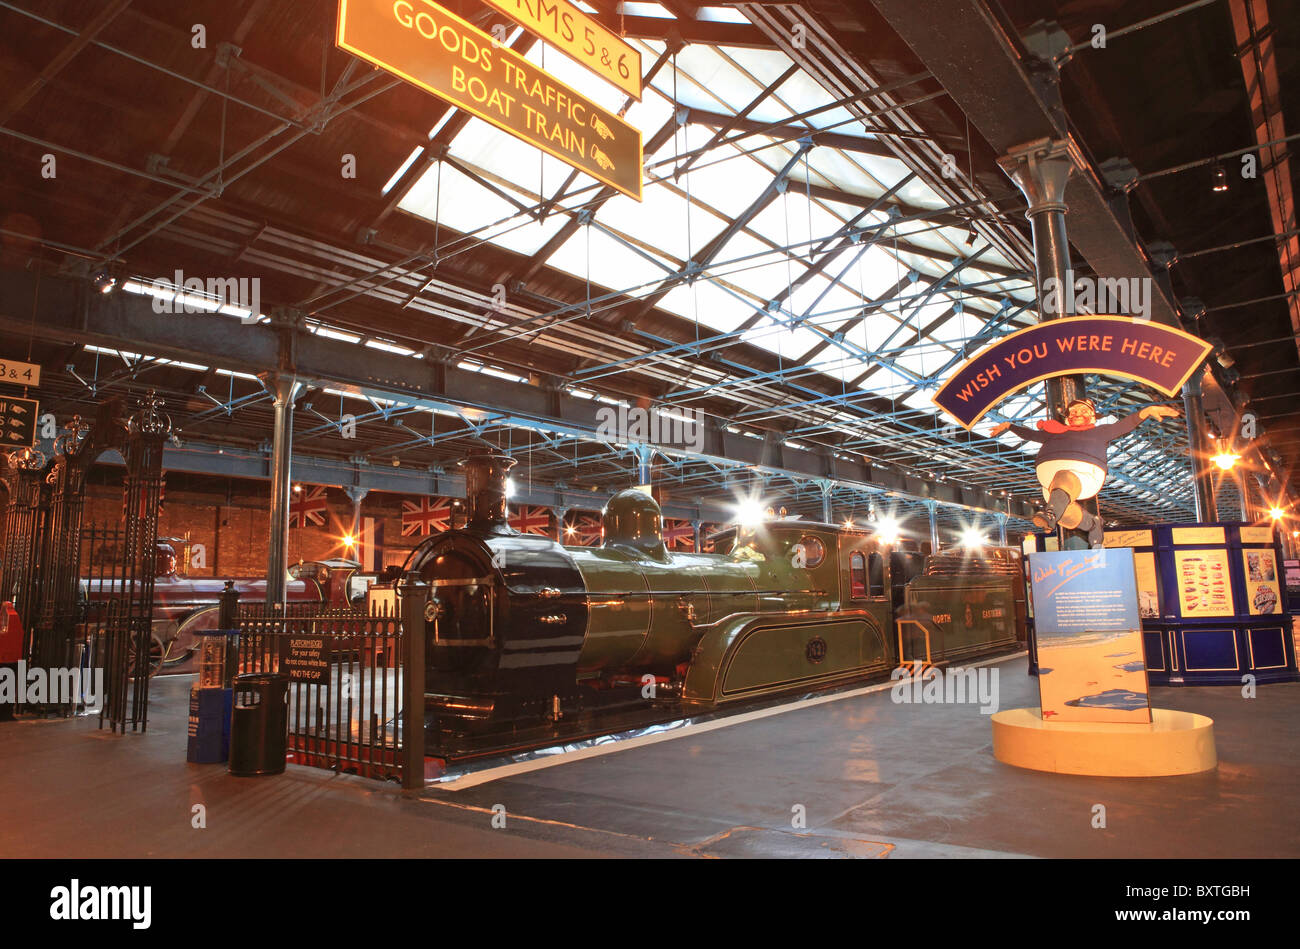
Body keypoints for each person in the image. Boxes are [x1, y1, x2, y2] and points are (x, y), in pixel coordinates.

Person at [989, 398, 1180, 547]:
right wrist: (1009, 426)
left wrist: (1146, 411)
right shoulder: (1054, 432)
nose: (1077, 413)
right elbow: (1030, 435)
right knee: (1065, 515)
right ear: (1066, 417)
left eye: (1083, 411)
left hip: (1086, 474)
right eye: (1073, 411)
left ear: (1092, 416)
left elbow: (1125, 424)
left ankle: (1049, 514)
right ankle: (1092, 524)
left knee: (1065, 479)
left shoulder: (1101, 432)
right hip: (1051, 482)